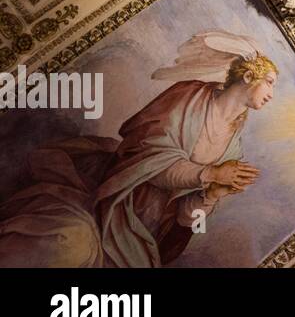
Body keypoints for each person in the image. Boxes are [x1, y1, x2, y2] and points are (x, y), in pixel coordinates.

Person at [0, 32, 274, 268]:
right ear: (249, 75)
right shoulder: (189, 97)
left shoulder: (233, 148)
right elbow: (146, 157)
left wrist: (211, 196)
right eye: (270, 82)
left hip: (142, 231)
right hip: (110, 196)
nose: (271, 93)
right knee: (69, 240)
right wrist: (210, 173)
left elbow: (185, 216)